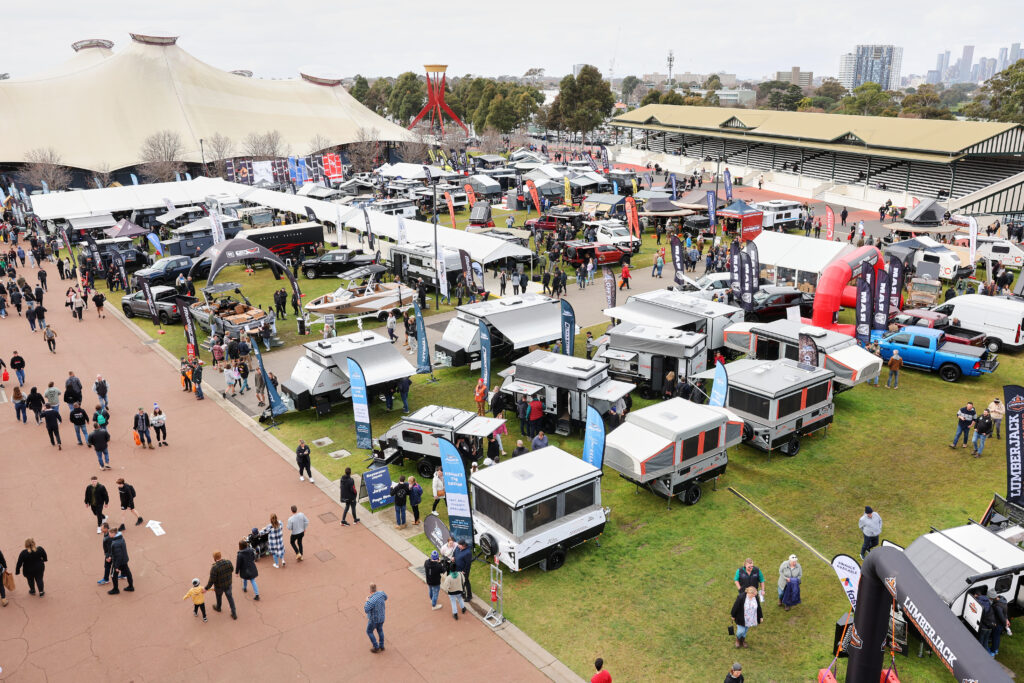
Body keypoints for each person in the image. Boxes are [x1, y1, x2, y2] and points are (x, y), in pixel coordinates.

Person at [205, 551, 237, 619]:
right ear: (220, 556)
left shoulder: (214, 567)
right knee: (230, 598)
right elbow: (232, 569)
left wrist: (206, 588)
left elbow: (212, 580)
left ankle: (218, 607)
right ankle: (234, 613)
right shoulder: (228, 562)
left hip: (219, 586)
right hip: (228, 584)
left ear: (214, 558)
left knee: (219, 597)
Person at [106, 528, 134, 594]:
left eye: (109, 533)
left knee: (113, 575)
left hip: (118, 562)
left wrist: (116, 567)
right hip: (124, 560)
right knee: (128, 573)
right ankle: (131, 586)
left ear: (113, 534)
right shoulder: (121, 538)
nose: (108, 534)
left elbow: (118, 556)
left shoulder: (115, 544)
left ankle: (116, 589)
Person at [364, 583, 388, 653]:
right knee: (380, 630)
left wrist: (367, 601)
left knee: (369, 631)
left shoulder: (371, 601)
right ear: (376, 588)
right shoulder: (382, 594)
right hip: (382, 617)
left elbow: (366, 609)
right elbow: (386, 597)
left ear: (370, 590)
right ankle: (382, 646)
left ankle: (376, 646)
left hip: (374, 619)